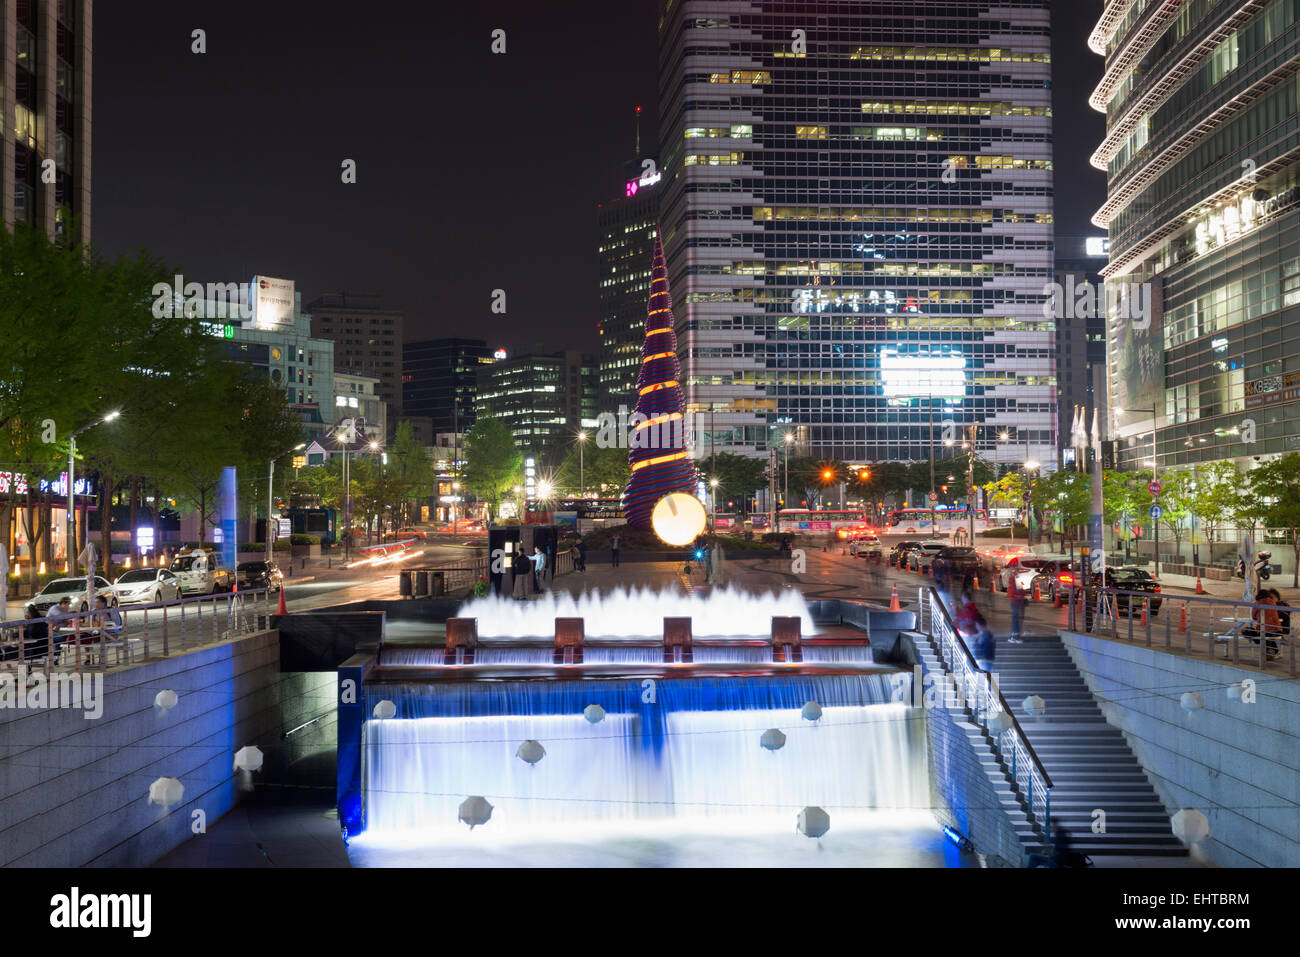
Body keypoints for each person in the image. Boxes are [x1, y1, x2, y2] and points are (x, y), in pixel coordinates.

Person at [956, 590, 995, 671]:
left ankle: (970, 669)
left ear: (964, 598)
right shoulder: (973, 607)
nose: (962, 600)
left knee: (968, 653)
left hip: (967, 634)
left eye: (962, 598)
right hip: (972, 634)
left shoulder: (968, 608)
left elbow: (963, 619)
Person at [1245, 588, 1281, 660]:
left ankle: (1270, 651)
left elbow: (1253, 617)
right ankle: (1273, 652)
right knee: (1268, 635)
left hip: (1264, 630)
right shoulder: (1273, 603)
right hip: (1277, 629)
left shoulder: (1257, 604)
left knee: (1247, 631)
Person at [1007, 573, 1027, 643]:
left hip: (1017, 602)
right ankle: (1015, 637)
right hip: (1016, 602)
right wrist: (1020, 596)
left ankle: (1016, 636)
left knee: (1017, 619)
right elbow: (1018, 591)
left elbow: (1022, 590)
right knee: (1016, 620)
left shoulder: (1016, 579)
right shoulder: (1015, 579)